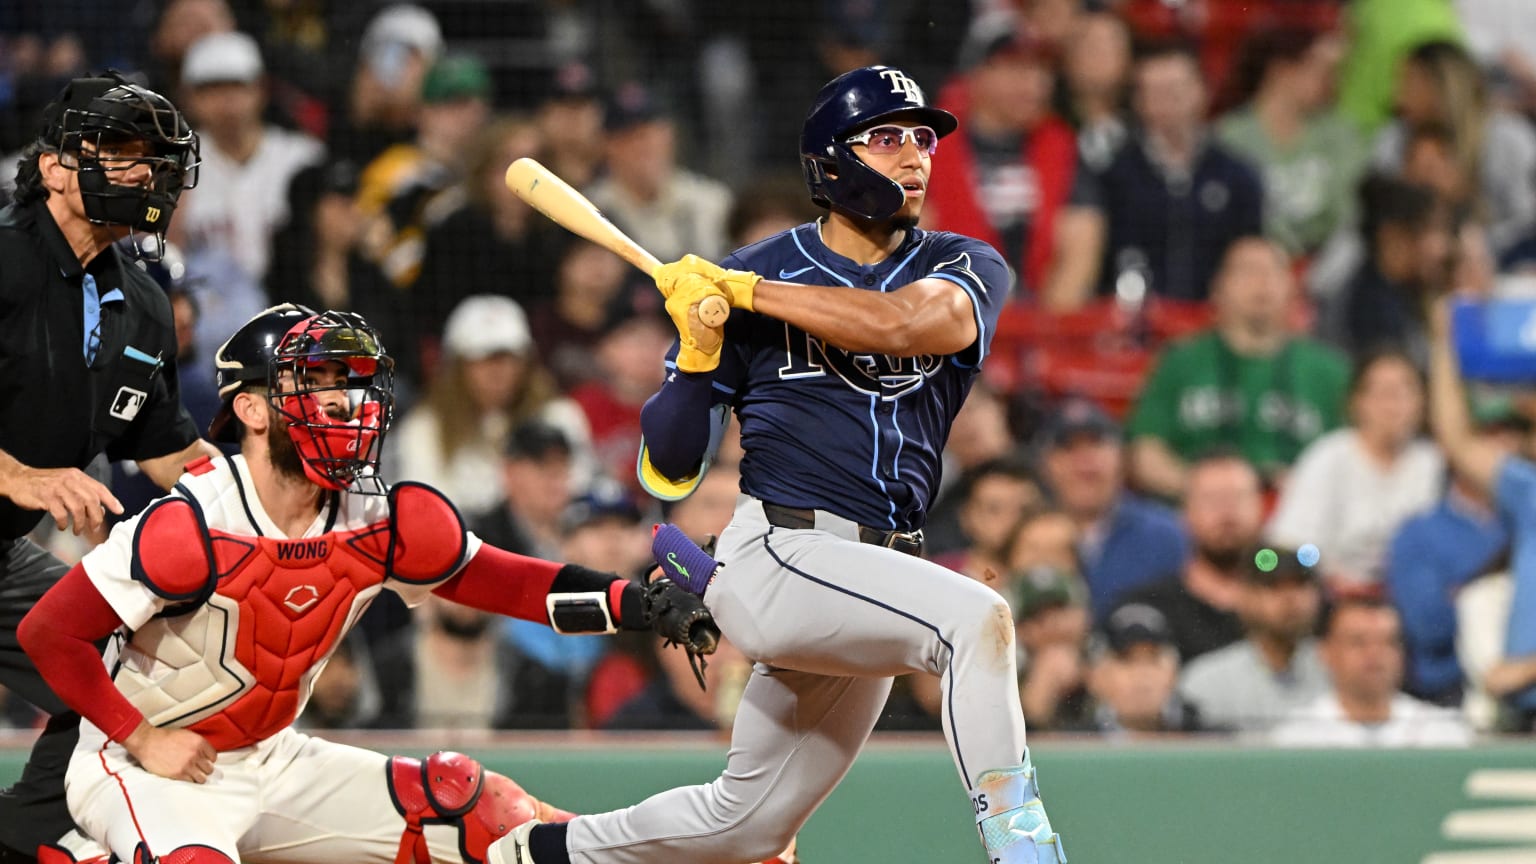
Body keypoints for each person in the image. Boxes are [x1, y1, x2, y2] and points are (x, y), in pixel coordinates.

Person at [491, 65, 1065, 864]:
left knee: (746, 825)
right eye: (890, 137)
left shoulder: (961, 262)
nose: (916, 156)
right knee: (977, 619)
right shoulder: (758, 273)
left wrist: (749, 293)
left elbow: (905, 327)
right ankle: (1026, 848)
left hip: (879, 572)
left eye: (924, 138)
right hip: (783, 555)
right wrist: (695, 358)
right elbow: (668, 470)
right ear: (833, 161)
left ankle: (528, 853)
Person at [15, 304, 720, 864]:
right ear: (254, 410)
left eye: (349, 384)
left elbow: (504, 583)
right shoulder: (190, 523)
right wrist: (140, 737)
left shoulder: (381, 517)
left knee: (470, 808)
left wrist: (638, 602)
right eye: (316, 386)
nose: (346, 404)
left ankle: (683, 856)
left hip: (272, 755)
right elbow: (47, 633)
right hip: (148, 768)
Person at [0, 73, 220, 863]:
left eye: (157, 159)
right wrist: (20, 476)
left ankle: (16, 841)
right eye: (120, 151)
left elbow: (166, 449)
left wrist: (269, 501)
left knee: (119, 677)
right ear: (55, 165)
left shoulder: (145, 304)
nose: (143, 173)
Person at [1128, 237, 1351, 498]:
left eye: (1274, 271)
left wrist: (1306, 491)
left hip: (1299, 525)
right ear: (1218, 289)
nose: (1262, 282)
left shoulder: (1331, 371)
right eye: (1247, 271)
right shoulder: (1179, 362)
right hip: (1197, 523)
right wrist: (1211, 492)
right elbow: (1144, 453)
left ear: (1293, 288)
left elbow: (1357, 462)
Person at [1267, 349, 1444, 589]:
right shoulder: (1328, 456)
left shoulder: (1433, 463)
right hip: (1334, 594)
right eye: (1383, 393)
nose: (1393, 405)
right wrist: (1326, 571)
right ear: (1357, 401)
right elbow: (1291, 545)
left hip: (1409, 594)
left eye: (1405, 392)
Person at [1112, 454, 1263, 664]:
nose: (1227, 512)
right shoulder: (1152, 609)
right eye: (1212, 499)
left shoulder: (1295, 602)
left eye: (1238, 497)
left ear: (1261, 508)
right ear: (1185, 514)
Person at [1270, 598, 1473, 746]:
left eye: (1388, 642)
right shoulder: (1297, 736)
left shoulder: (1440, 732)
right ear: (1325, 652)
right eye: (1359, 642)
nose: (1375, 654)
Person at [1178, 546, 1329, 734]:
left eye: (1300, 585)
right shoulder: (1208, 681)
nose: (1290, 598)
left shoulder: (1341, 672)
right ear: (1246, 596)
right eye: (1273, 586)